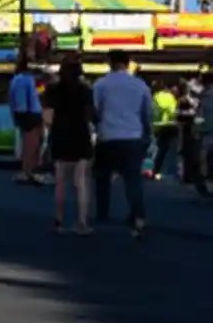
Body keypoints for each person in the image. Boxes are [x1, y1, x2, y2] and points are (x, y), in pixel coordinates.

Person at [91, 50, 151, 238]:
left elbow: (95, 110)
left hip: (108, 136)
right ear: (128, 63)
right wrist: (146, 134)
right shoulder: (140, 85)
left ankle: (102, 213)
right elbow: (147, 113)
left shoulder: (101, 84)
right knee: (133, 179)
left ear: (109, 62)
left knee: (103, 178)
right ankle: (137, 214)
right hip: (133, 136)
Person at [44, 59, 94, 235]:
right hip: (80, 134)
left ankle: (59, 220)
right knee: (80, 181)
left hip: (60, 135)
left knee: (60, 180)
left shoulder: (53, 90)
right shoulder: (86, 91)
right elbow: (90, 116)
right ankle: (82, 222)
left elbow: (48, 118)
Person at [9, 55, 47, 185]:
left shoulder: (27, 80)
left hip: (32, 113)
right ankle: (28, 171)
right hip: (29, 114)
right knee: (31, 144)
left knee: (37, 142)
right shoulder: (23, 80)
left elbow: (37, 94)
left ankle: (32, 169)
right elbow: (22, 100)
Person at [149, 79, 180, 180]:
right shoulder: (169, 97)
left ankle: (155, 171)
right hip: (169, 126)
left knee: (160, 151)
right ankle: (170, 172)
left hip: (158, 127)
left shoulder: (155, 96)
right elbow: (172, 112)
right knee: (171, 151)